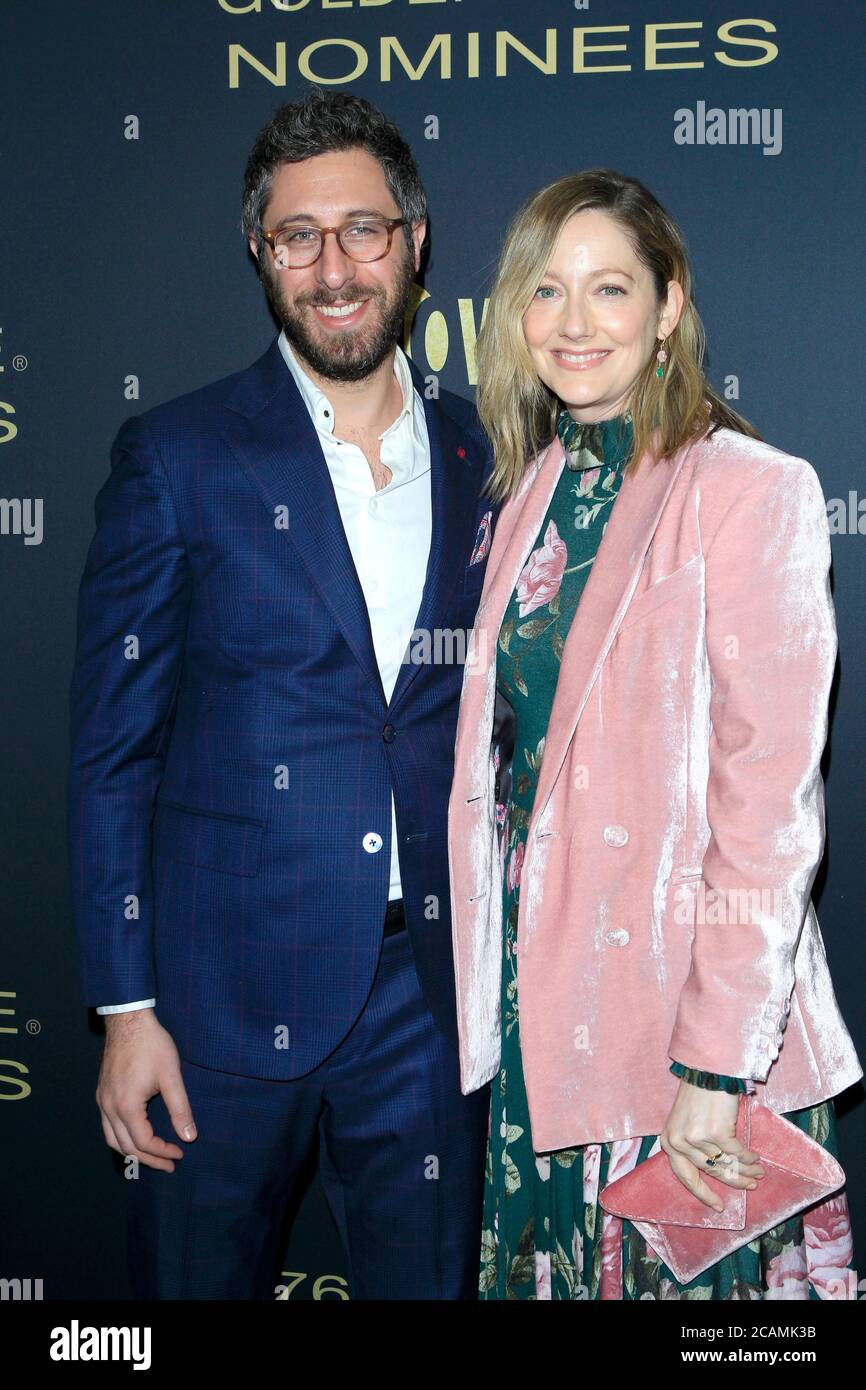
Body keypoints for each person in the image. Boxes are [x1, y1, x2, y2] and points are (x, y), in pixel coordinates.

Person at [67, 87, 495, 1300]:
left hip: (428, 1007)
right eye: (296, 237)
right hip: (213, 1011)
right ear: (259, 254)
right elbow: (112, 753)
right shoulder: (179, 456)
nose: (334, 268)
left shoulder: (489, 456)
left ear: (415, 241)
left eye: (362, 229)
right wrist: (124, 1007)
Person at [447, 168, 863, 1299]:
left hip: (679, 1026)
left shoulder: (749, 490)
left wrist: (714, 1065)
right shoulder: (529, 491)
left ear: (668, 306)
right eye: (545, 292)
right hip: (548, 1020)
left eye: (609, 289)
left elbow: (769, 809)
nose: (573, 324)